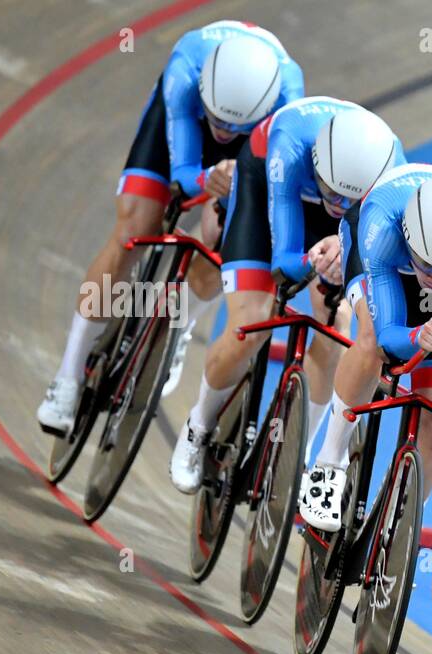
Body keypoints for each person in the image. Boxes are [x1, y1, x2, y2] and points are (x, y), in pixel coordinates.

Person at [37, 22, 304, 435]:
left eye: (234, 127)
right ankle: (68, 376)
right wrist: (204, 178)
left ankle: (180, 326)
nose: (224, 132)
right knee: (134, 230)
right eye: (219, 121)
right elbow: (181, 172)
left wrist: (232, 187)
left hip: (250, 152)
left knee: (223, 243)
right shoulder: (186, 69)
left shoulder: (288, 100)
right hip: (180, 127)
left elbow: (271, 180)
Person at [168, 98, 405, 494]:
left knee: (338, 330)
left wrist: (337, 250)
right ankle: (198, 426)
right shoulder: (289, 145)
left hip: (343, 230)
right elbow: (284, 261)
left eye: (349, 199)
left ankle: (296, 454)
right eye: (331, 191)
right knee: (252, 325)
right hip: (268, 198)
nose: (338, 204)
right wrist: (315, 257)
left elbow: (371, 259)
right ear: (317, 162)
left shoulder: (390, 179)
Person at [296, 167, 432, 532]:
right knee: (369, 343)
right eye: (427, 264)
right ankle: (329, 464)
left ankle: (399, 522)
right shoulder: (384, 224)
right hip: (383, 262)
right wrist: (417, 338)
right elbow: (386, 335)